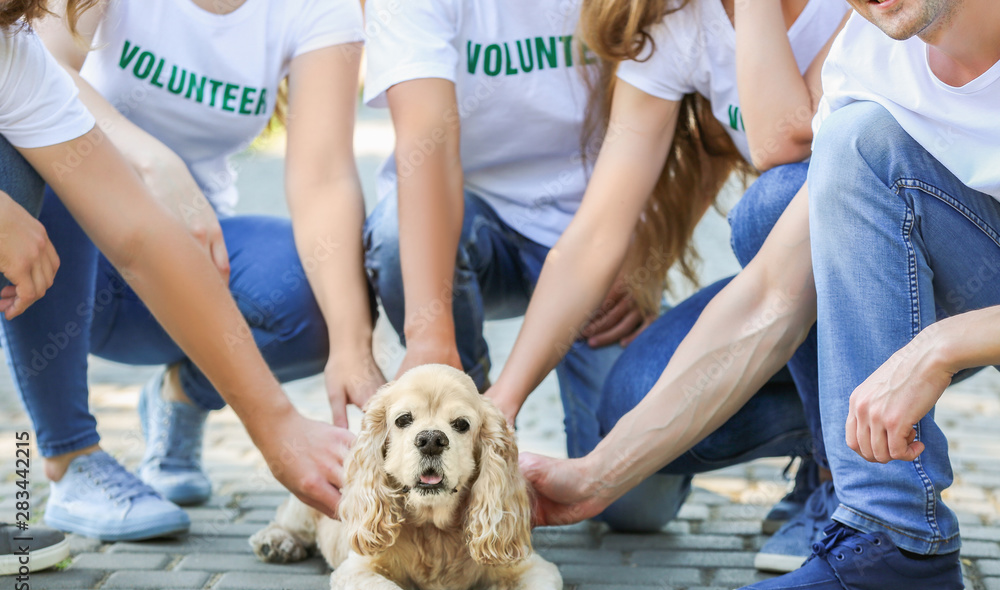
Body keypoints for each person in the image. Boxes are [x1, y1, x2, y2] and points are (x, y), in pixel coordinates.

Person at [486, 0, 847, 569]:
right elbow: (595, 235)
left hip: (921, 276)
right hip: (802, 279)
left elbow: (786, 142)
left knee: (774, 204)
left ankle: (847, 485)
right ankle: (831, 446)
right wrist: (503, 399)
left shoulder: (857, 10)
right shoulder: (680, 24)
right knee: (634, 396)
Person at [18, 0, 380, 540]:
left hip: (185, 261)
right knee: (39, 154)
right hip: (63, 266)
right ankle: (71, 457)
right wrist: (150, 159)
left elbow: (323, 176)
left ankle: (182, 397)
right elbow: (36, 68)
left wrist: (354, 345)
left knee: (325, 300)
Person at [728, 0, 999, 590]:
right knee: (840, 156)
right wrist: (598, 475)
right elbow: (772, 286)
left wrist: (943, 346)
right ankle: (892, 530)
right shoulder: (869, 49)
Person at [360, 0, 647, 456]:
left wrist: (649, 251)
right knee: (396, 231)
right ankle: (464, 433)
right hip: (473, 226)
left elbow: (697, 120)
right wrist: (432, 342)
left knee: (636, 505)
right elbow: (427, 140)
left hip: (595, 233)